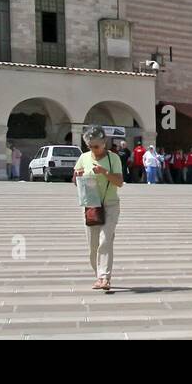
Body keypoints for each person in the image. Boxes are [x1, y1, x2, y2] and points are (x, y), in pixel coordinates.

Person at [73, 125, 124, 292]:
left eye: (96, 146)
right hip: (91, 205)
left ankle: (104, 277)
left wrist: (104, 172)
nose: (93, 149)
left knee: (105, 239)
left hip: (110, 204)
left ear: (104, 143)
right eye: (89, 146)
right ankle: (99, 275)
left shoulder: (113, 158)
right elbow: (74, 180)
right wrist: (77, 176)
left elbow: (119, 182)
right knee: (93, 245)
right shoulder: (84, 157)